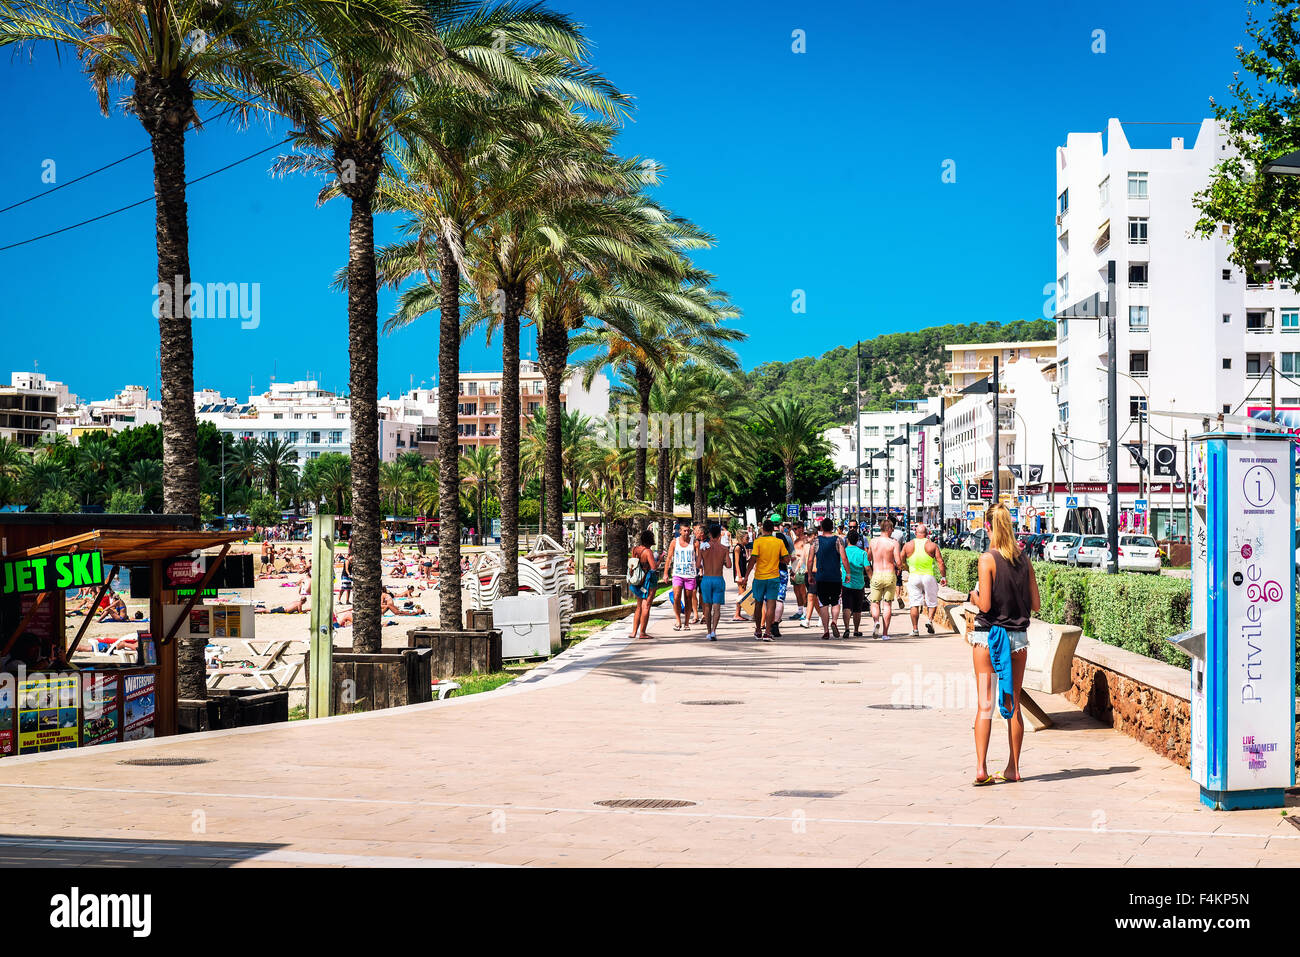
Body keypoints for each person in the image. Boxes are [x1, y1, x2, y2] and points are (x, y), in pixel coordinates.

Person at [967, 504, 1040, 785]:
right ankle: (1013, 768)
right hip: (1018, 638)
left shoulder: (987, 559)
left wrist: (973, 597)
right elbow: (1035, 603)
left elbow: (984, 604)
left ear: (988, 527)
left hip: (988, 637)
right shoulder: (1024, 560)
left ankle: (982, 769)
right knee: (1014, 704)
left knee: (985, 704)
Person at [902, 523, 948, 636]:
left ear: (915, 533)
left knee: (914, 604)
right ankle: (930, 620)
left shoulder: (908, 545)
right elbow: (940, 562)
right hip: (928, 576)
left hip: (914, 577)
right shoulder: (932, 545)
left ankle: (915, 629)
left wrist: (907, 568)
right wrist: (943, 577)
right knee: (932, 601)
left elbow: (900, 561)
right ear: (927, 534)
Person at [749, 519, 788, 641]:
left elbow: (753, 559)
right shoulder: (779, 542)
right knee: (771, 605)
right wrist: (778, 560)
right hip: (774, 578)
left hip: (760, 577)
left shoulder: (758, 542)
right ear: (772, 530)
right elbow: (786, 559)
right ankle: (767, 632)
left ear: (763, 529)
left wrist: (746, 576)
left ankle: (758, 630)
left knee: (758, 604)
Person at [809, 518, 848, 639]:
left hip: (821, 577)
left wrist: (810, 574)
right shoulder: (838, 540)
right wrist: (848, 573)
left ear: (821, 528)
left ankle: (826, 630)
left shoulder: (815, 542)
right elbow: (844, 558)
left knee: (823, 604)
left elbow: (810, 560)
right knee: (836, 601)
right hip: (835, 577)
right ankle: (834, 621)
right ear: (832, 528)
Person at [868, 518, 903, 638]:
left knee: (875, 603)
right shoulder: (894, 543)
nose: (893, 531)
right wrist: (899, 567)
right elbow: (898, 562)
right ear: (888, 529)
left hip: (877, 574)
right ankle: (885, 633)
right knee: (887, 605)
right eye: (892, 528)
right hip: (889, 575)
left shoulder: (873, 542)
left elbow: (868, 558)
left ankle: (876, 622)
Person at [698, 523, 731, 641]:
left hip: (706, 579)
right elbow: (729, 565)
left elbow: (697, 565)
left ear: (709, 534)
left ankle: (708, 631)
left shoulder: (703, 548)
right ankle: (713, 631)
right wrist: (721, 561)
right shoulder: (724, 548)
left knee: (707, 607)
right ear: (720, 535)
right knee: (717, 608)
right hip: (718, 578)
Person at [665, 523, 700, 632]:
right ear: (680, 531)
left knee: (688, 598)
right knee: (676, 597)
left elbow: (698, 558)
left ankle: (686, 622)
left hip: (690, 574)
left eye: (688, 531)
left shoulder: (694, 542)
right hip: (677, 574)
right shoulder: (674, 542)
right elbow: (669, 558)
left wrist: (702, 570)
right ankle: (678, 620)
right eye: (684, 531)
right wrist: (666, 573)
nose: (686, 533)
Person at [628, 530, 659, 640]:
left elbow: (635, 563)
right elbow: (653, 568)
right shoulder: (648, 552)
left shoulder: (635, 550)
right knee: (646, 606)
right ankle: (643, 632)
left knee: (638, 607)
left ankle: (633, 632)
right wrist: (659, 561)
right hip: (648, 581)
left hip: (637, 580)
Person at [841, 529, 869, 637]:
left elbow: (840, 566)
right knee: (857, 609)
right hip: (859, 584)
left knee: (846, 607)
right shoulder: (862, 553)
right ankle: (856, 630)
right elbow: (867, 568)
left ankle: (847, 628)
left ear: (847, 540)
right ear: (857, 540)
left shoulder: (844, 552)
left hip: (846, 583)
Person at [731, 528, 752, 622]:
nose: (748, 540)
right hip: (739, 574)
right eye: (747, 538)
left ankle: (738, 613)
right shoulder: (738, 547)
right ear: (741, 538)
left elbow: (742, 561)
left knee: (741, 594)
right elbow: (736, 563)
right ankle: (737, 614)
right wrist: (739, 576)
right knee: (742, 594)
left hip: (743, 573)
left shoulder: (743, 548)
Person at [692, 522, 707, 625]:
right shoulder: (693, 542)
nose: (694, 533)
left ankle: (705, 615)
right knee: (693, 592)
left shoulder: (708, 542)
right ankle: (695, 615)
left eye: (696, 531)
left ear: (701, 533)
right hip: (693, 571)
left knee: (703, 594)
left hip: (705, 572)